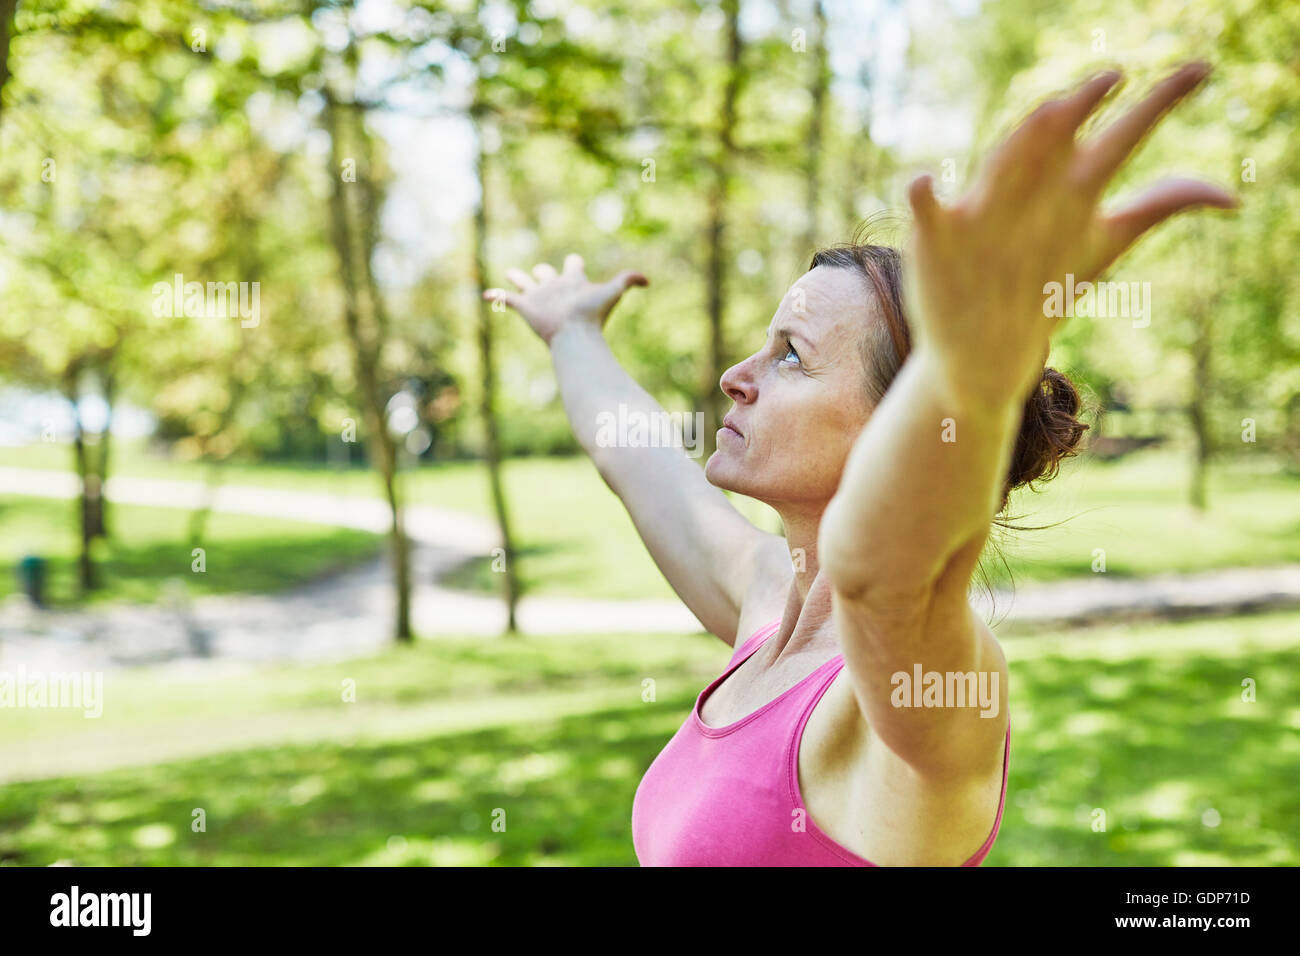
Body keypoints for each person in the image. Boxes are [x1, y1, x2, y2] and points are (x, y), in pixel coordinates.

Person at [484, 62, 1235, 866]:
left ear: (894, 425)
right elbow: (635, 457)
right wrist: (571, 331)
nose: (737, 377)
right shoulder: (770, 604)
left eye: (791, 357)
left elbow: (886, 580)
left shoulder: (922, 691)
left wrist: (971, 375)